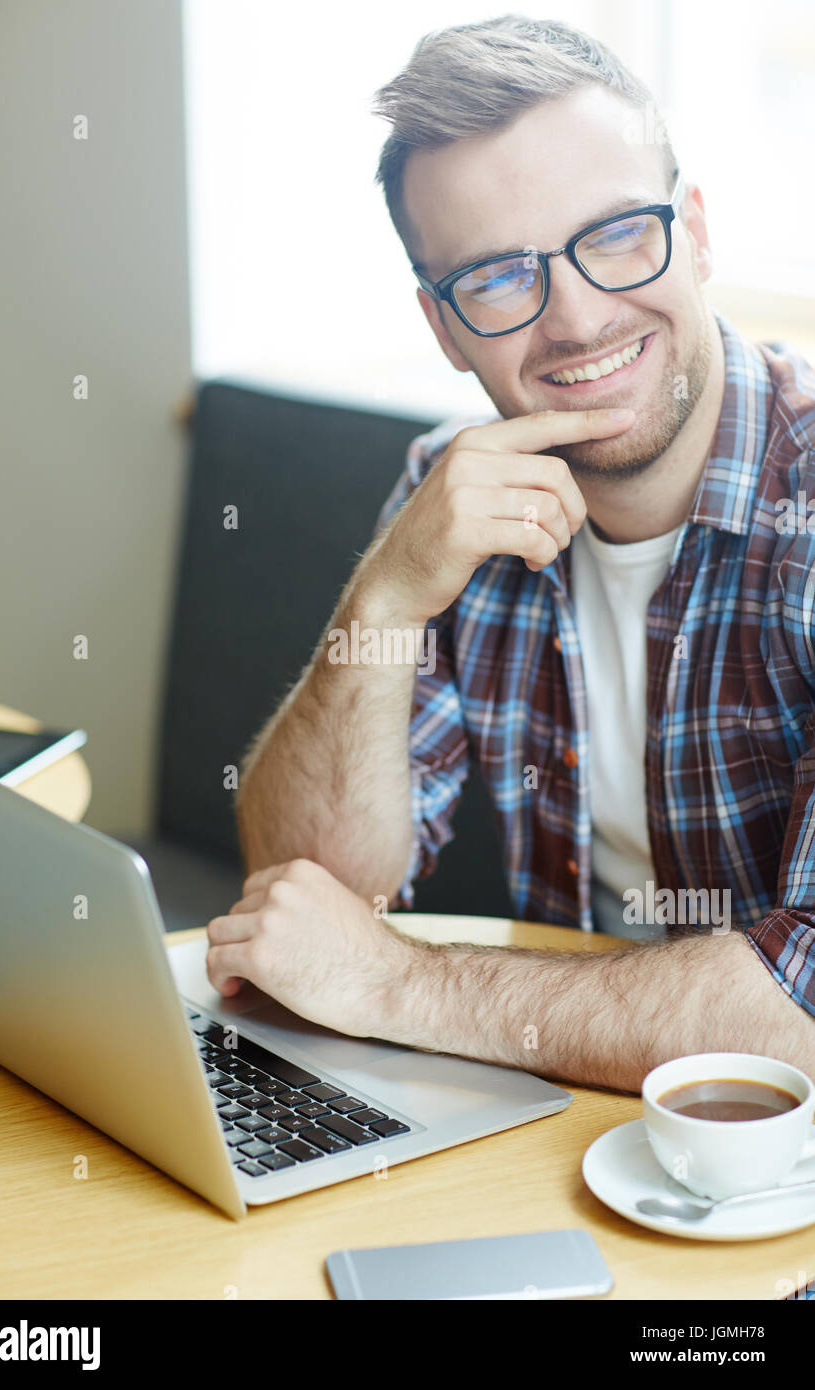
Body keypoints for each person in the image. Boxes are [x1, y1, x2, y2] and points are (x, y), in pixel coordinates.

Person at [205, 15, 815, 1092]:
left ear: (697, 232)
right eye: (495, 278)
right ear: (443, 329)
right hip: (562, 1120)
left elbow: (797, 1015)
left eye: (619, 232)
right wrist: (386, 597)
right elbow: (305, 891)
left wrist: (399, 985)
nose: (575, 318)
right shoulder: (452, 495)